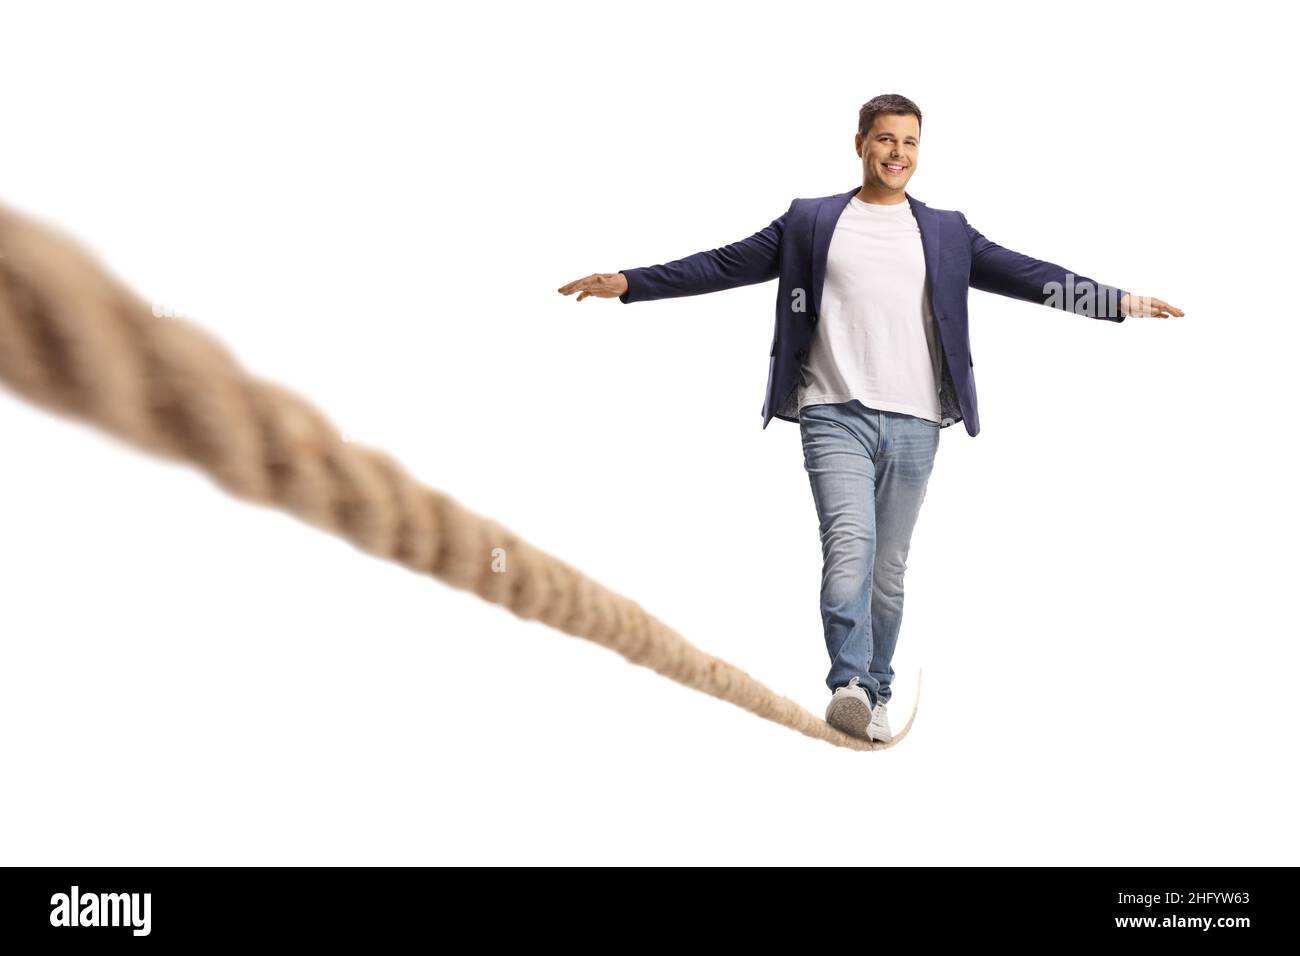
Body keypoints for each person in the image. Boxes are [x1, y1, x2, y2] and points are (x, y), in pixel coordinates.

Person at [557, 93, 1183, 743]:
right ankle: (849, 684)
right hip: (834, 411)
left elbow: (1033, 277)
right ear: (859, 143)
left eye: (910, 143)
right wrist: (631, 282)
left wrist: (1123, 303)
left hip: (916, 422)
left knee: (888, 569)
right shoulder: (812, 221)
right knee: (849, 550)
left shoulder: (946, 231)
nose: (897, 154)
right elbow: (726, 263)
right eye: (885, 140)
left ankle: (877, 690)